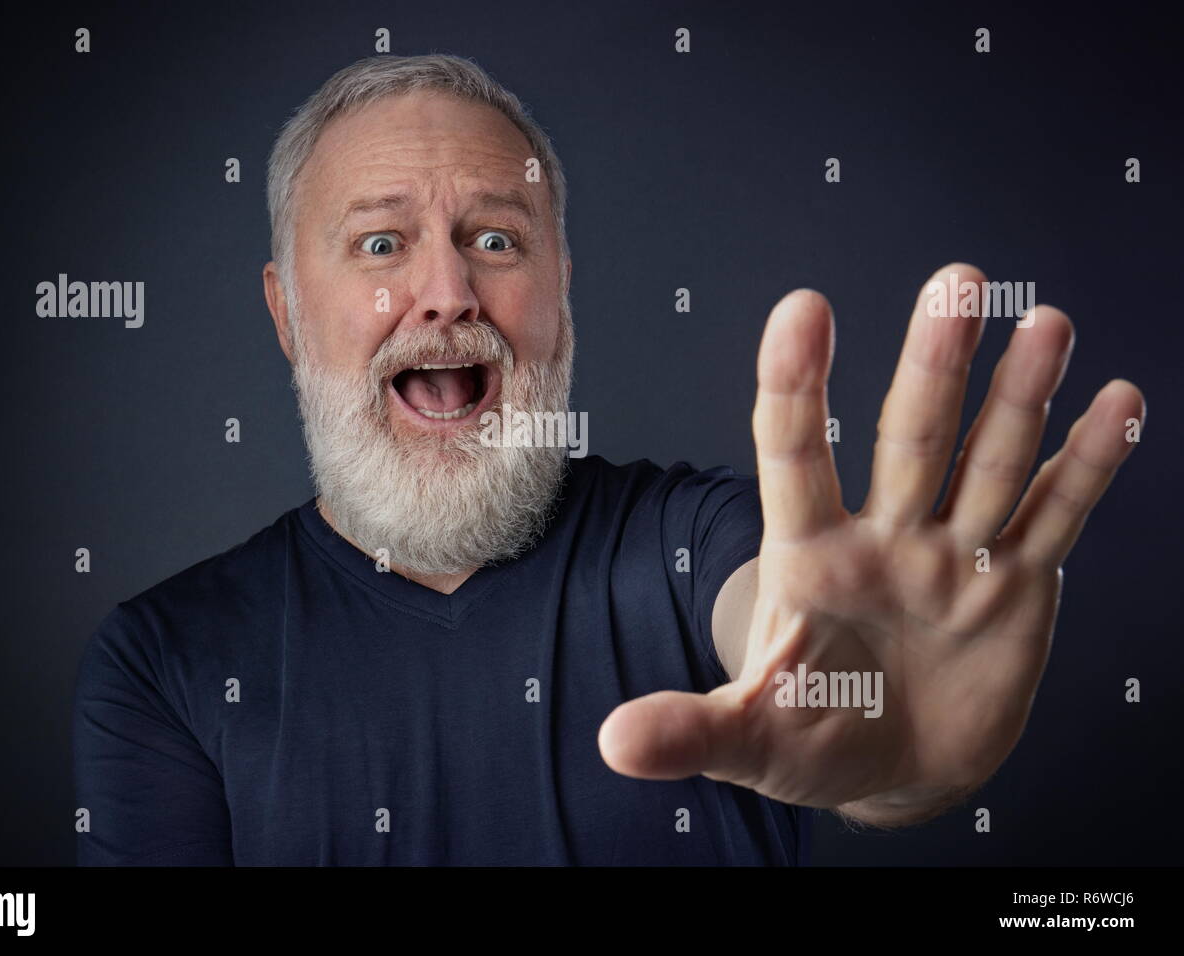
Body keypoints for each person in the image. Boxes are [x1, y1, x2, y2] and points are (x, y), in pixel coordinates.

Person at [72, 53, 1144, 865]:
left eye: (496, 240)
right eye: (380, 243)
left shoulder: (692, 544)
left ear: (564, 295)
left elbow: (784, 618)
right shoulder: (164, 659)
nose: (447, 291)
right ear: (287, 313)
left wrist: (885, 718)